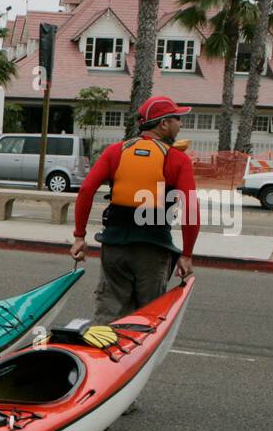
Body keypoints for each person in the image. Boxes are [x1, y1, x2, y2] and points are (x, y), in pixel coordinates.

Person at [70, 95, 200, 325]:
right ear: (163, 123)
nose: (181, 124)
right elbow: (190, 206)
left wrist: (79, 236)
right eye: (177, 119)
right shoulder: (177, 160)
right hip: (152, 249)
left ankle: (105, 358)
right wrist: (187, 254)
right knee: (147, 318)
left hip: (114, 246)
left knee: (108, 316)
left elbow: (86, 190)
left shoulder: (116, 151)